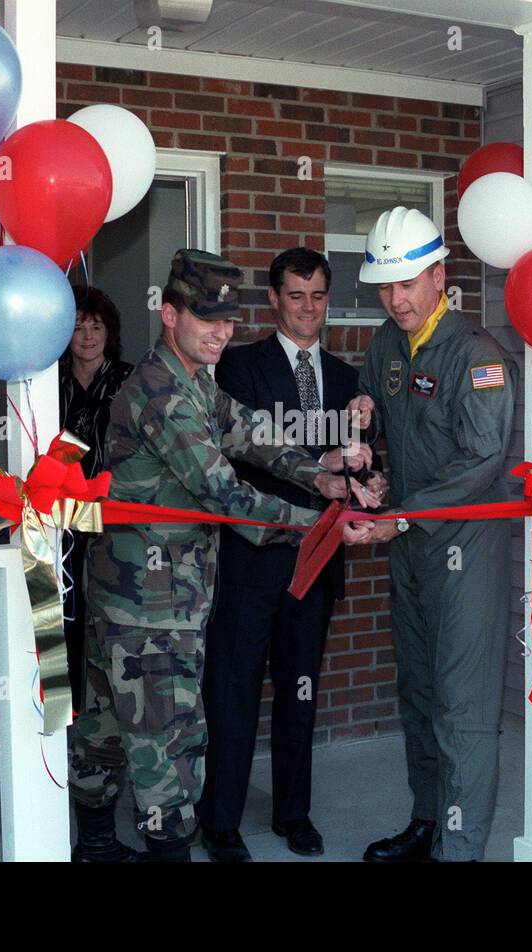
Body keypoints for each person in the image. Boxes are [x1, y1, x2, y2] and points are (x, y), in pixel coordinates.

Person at [68, 249, 377, 862]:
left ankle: (98, 846)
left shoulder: (194, 381)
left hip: (131, 595)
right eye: (207, 320)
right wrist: (320, 525)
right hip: (153, 607)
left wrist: (322, 476)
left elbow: (257, 435)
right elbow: (226, 494)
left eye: (229, 322)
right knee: (167, 743)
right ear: (170, 315)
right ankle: (167, 851)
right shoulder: (162, 392)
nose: (221, 334)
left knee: (104, 729)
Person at [345, 206, 518, 862]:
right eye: (385, 286)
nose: (395, 299)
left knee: (462, 705)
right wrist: (369, 453)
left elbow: (481, 461)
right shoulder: (388, 344)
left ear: (440, 276)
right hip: (411, 544)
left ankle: (460, 849)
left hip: (464, 548)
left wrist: (400, 514)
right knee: (418, 690)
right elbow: (383, 427)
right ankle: (428, 824)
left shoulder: (479, 355)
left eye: (407, 283)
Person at [198, 247, 382, 862]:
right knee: (235, 690)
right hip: (251, 560)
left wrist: (370, 479)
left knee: (301, 690)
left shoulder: (349, 380)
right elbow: (248, 450)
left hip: (318, 560)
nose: (309, 308)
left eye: (319, 295)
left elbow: (361, 465)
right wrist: (325, 456)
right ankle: (220, 820)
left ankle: (292, 813)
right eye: (296, 295)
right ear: (274, 299)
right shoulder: (239, 366)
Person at [58, 286, 132, 713]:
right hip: (62, 519)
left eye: (96, 326)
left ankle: (104, 716)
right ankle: (65, 714)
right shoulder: (48, 380)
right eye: (77, 327)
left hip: (112, 516)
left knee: (107, 615)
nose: (87, 336)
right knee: (66, 613)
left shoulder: (129, 381)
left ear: (110, 332)